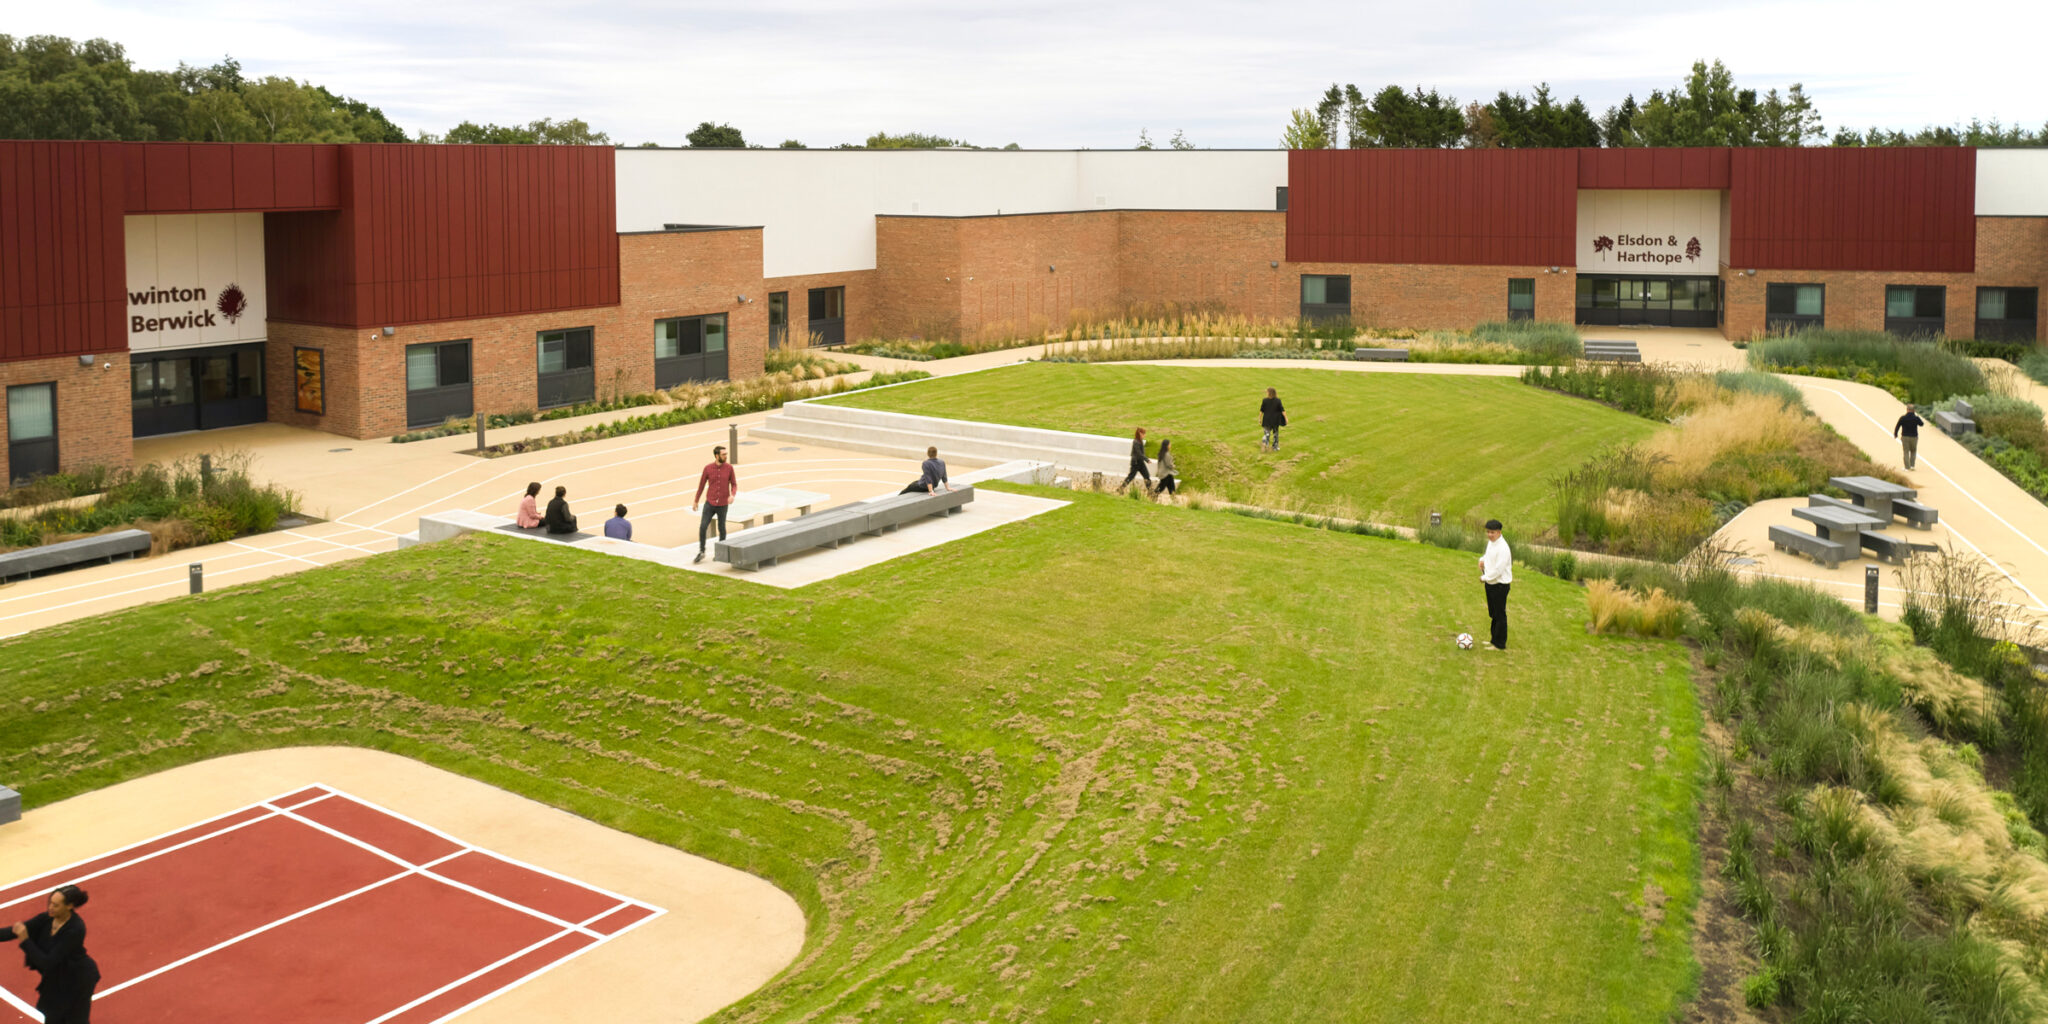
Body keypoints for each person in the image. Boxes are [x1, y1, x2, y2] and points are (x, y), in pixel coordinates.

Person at [12, 884, 99, 1024]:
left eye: (56, 905)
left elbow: (47, 962)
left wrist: (25, 941)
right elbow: (15, 930)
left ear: (69, 906)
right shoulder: (47, 918)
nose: (50, 908)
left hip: (78, 980)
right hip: (57, 978)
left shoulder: (75, 929)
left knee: (75, 1020)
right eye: (50, 903)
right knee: (50, 1016)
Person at [692, 445, 738, 564]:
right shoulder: (707, 468)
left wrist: (732, 495)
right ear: (717, 456)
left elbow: (734, 484)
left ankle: (720, 553)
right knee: (703, 527)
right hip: (710, 503)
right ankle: (702, 551)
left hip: (723, 504)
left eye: (726, 454)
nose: (726, 456)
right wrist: (696, 500)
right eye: (723, 454)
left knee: (721, 528)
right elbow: (701, 485)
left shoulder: (729, 468)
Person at [1477, 519, 1513, 651]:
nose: (1489, 535)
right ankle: (1494, 640)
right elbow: (1487, 556)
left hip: (1500, 585)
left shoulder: (1503, 548)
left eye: (1492, 532)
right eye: (1488, 532)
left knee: (1499, 614)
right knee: (1493, 613)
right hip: (1490, 583)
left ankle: (1500, 644)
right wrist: (1482, 560)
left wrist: (1484, 577)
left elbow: (1498, 570)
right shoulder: (1491, 543)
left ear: (1499, 532)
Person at [1894, 404, 1926, 470]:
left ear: (1907, 410)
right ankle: (1912, 466)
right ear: (1914, 410)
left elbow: (1898, 426)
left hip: (1905, 437)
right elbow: (1921, 424)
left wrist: (1895, 434)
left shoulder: (1903, 418)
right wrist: (1918, 417)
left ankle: (1907, 467)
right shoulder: (1916, 418)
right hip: (1914, 437)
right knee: (1913, 451)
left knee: (1906, 451)